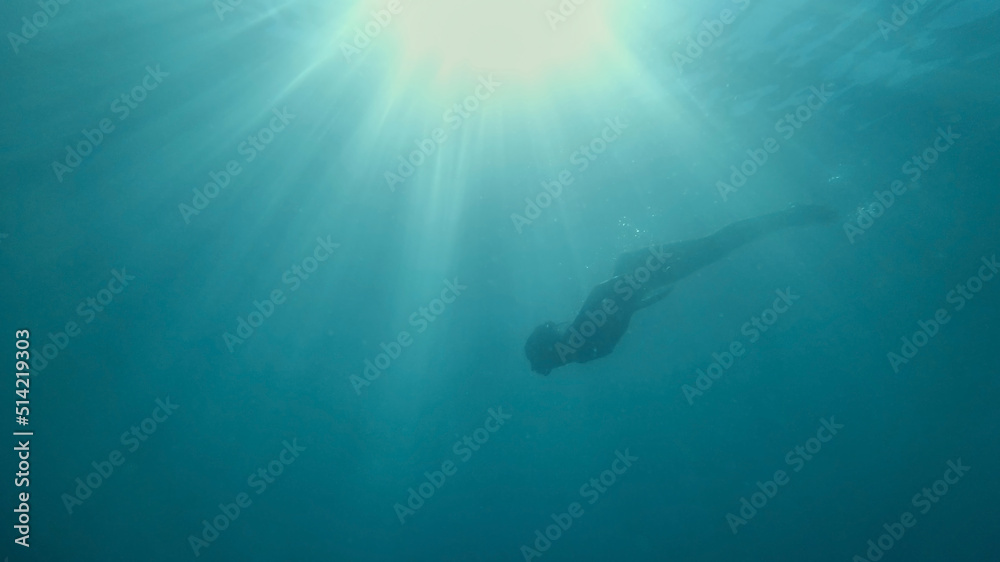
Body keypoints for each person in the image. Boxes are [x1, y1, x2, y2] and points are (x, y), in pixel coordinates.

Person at [524, 204, 835, 375]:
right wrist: (636, 296)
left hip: (642, 273)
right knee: (719, 243)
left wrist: (634, 293)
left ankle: (796, 216)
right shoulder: (578, 348)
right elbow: (610, 307)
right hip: (642, 273)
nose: (553, 367)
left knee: (719, 243)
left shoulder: (578, 346)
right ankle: (795, 216)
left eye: (547, 364)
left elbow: (606, 303)